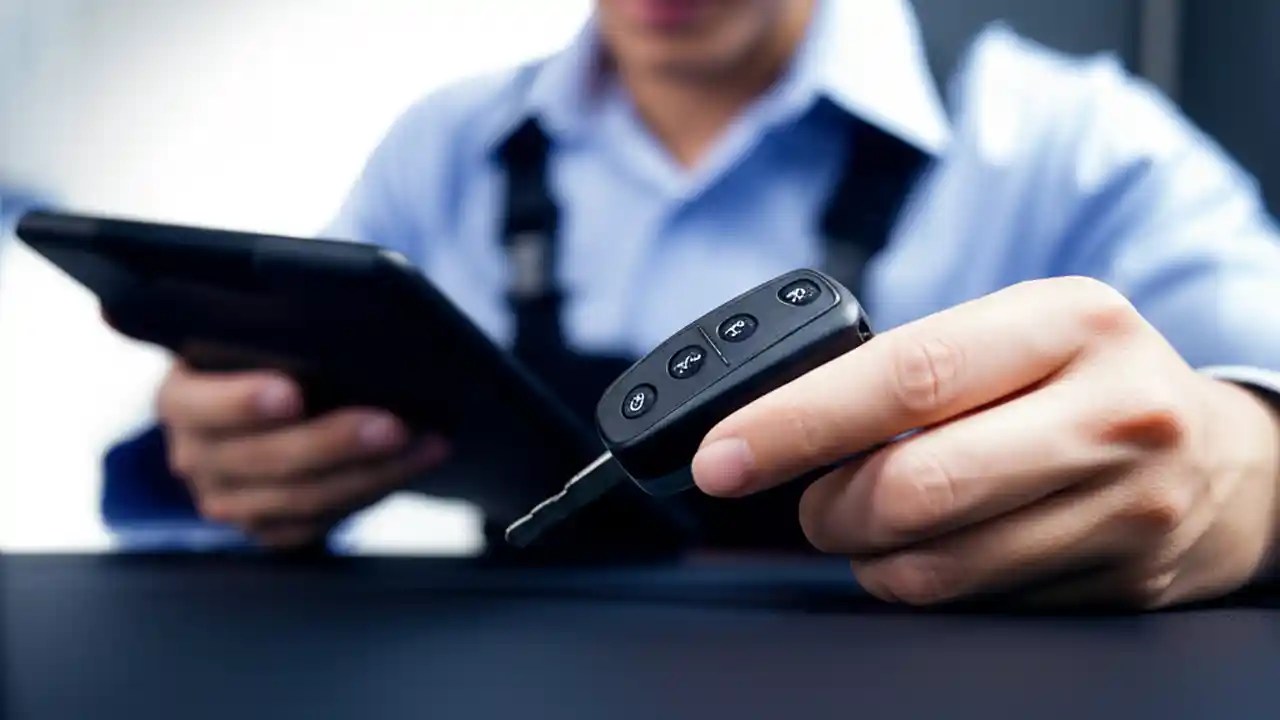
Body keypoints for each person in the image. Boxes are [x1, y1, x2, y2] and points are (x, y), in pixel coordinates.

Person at [111, 0, 1280, 608]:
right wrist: (230, 452)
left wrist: (1248, 472)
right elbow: (246, 426)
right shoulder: (442, 149)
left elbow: (1253, 399)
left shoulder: (1077, 145)